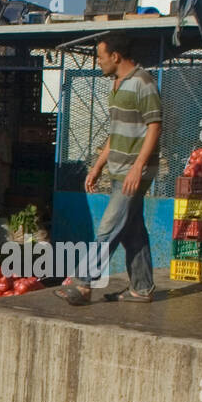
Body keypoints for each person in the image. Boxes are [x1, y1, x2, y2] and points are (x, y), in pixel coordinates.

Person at [57, 32, 162, 305]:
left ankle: (83, 283)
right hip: (118, 169)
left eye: (102, 58)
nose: (99, 63)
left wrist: (138, 167)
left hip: (134, 171)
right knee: (132, 231)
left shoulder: (143, 82)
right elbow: (115, 134)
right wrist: (98, 166)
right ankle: (142, 288)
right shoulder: (116, 86)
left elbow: (155, 126)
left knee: (108, 227)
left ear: (115, 56)